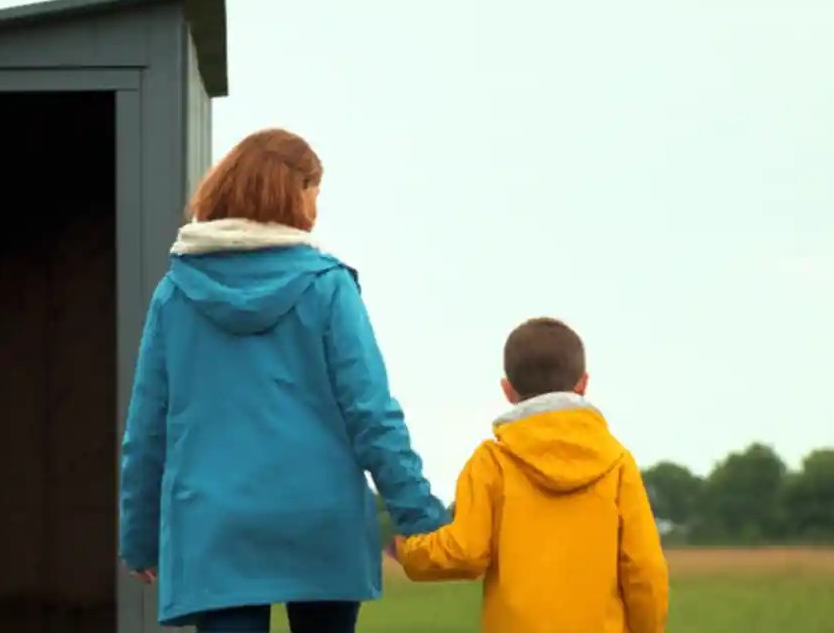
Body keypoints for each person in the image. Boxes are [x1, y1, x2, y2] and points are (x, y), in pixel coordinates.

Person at [119, 128, 447, 632]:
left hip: (216, 528)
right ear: (293, 192)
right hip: (320, 522)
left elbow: (147, 429)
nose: (317, 207)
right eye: (315, 190)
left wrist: (140, 535)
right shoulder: (328, 286)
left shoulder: (176, 294)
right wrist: (419, 516)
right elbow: (372, 414)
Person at [390, 317, 669, 633]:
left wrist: (409, 551)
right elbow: (645, 569)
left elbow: (465, 552)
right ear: (583, 383)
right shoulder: (618, 463)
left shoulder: (491, 461)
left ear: (507, 390)